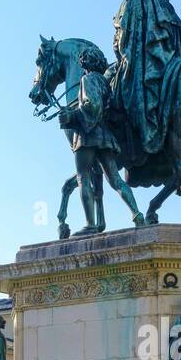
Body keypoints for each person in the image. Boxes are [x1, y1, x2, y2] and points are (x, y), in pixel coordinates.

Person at [111, 0, 181, 157]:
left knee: (114, 92)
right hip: (171, 62)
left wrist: (120, 54)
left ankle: (128, 139)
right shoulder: (166, 5)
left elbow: (121, 36)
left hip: (140, 65)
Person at [58, 45, 144, 233]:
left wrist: (71, 116)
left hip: (88, 135)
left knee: (83, 177)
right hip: (105, 137)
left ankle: (90, 224)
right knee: (115, 180)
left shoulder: (87, 79)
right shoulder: (105, 83)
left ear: (85, 64)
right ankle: (138, 215)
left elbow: (92, 106)